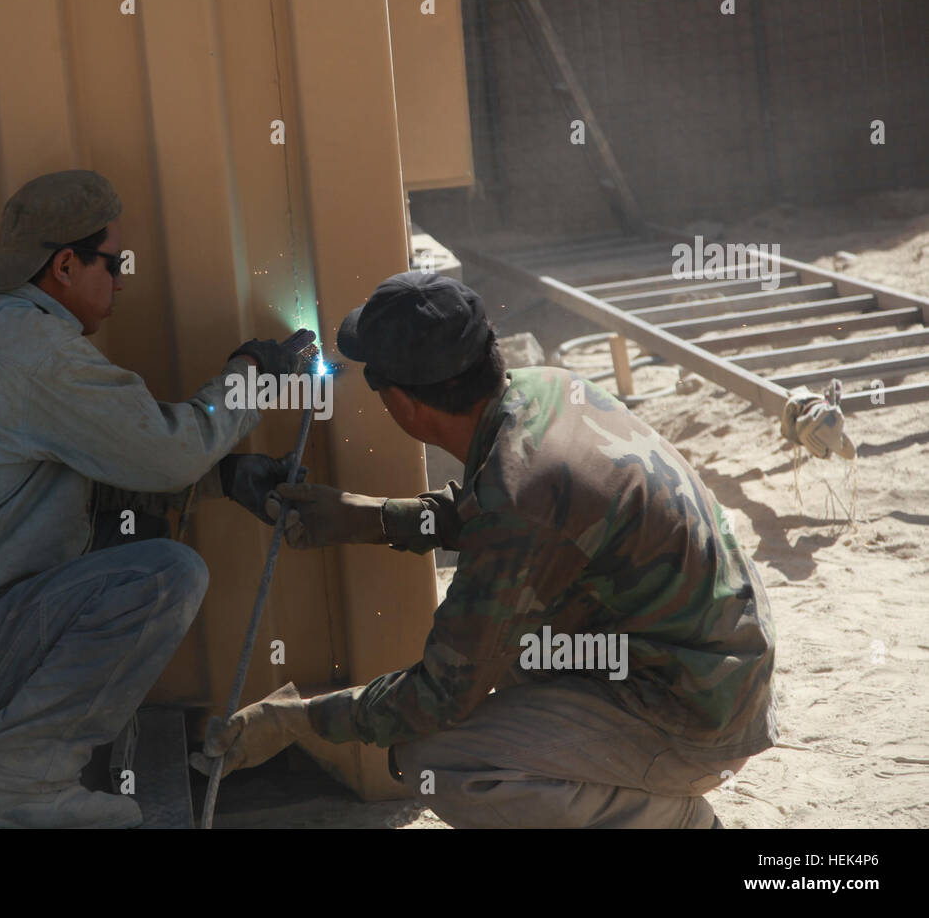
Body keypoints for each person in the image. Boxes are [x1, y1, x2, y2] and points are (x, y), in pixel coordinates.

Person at [202, 271, 778, 828]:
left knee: (440, 758)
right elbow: (512, 518)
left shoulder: (522, 496)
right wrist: (370, 518)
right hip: (720, 659)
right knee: (520, 659)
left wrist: (300, 718)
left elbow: (439, 694)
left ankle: (668, 819)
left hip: (699, 715)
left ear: (403, 404)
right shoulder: (544, 390)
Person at [0, 170, 313, 828]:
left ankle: (23, 756)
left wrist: (226, 477)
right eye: (117, 262)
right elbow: (166, 452)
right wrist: (249, 375)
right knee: (165, 576)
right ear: (66, 264)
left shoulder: (2, 334)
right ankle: (12, 786)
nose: (125, 277)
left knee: (135, 534)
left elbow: (102, 473)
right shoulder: (37, 355)